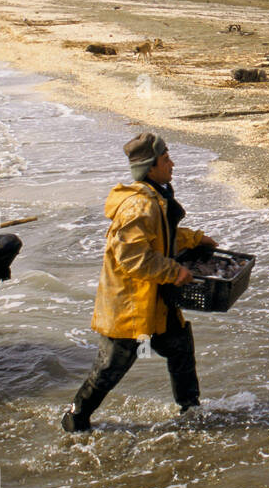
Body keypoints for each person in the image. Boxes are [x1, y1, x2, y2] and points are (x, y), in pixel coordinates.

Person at [63, 133, 216, 431]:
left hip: (157, 302)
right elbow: (133, 257)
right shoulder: (139, 206)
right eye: (166, 159)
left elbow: (162, 239)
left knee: (181, 346)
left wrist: (196, 238)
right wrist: (175, 272)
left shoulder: (156, 197)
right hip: (131, 307)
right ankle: (75, 418)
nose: (172, 163)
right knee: (110, 368)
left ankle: (191, 413)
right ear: (151, 167)